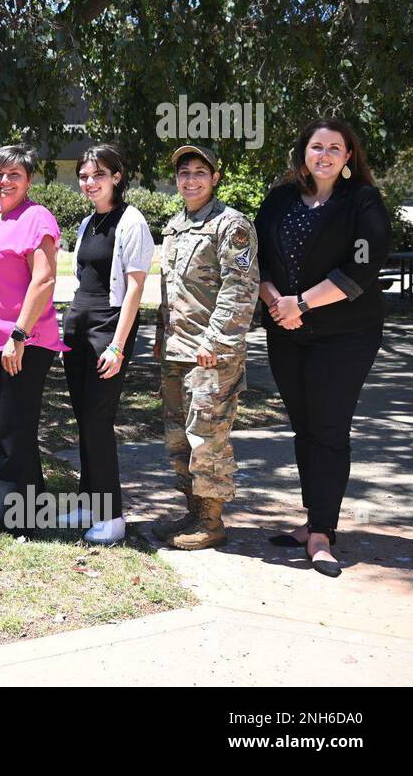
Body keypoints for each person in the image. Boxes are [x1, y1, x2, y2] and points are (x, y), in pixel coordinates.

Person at [254, 119, 390, 577]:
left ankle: (322, 534)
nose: (326, 154)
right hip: (285, 330)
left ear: (349, 156)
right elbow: (256, 260)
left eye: (336, 147)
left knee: (329, 429)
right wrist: (277, 303)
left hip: (345, 334)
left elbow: (363, 267)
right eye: (317, 146)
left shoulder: (364, 202)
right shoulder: (279, 200)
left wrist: (302, 304)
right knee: (304, 427)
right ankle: (313, 518)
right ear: (304, 153)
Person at [152, 144, 258, 550]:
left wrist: (215, 341)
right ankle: (193, 512)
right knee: (178, 439)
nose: (190, 179)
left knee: (208, 437)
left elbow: (240, 289)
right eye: (184, 172)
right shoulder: (176, 225)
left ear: (215, 178)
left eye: (200, 171)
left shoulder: (232, 226)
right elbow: (171, 293)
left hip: (211, 354)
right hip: (178, 350)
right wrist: (164, 342)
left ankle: (212, 522)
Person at [0, 144, 67, 531]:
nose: (4, 181)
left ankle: (15, 518)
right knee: (7, 427)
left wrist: (18, 334)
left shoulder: (36, 218)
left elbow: (45, 278)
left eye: (14, 175)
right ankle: (32, 510)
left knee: (13, 429)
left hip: (22, 341)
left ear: (29, 180)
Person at [60, 144, 155, 544]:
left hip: (108, 326)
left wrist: (117, 345)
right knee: (84, 418)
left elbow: (135, 287)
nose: (89, 182)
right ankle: (88, 502)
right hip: (79, 324)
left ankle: (113, 517)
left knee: (99, 421)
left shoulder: (131, 221)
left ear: (117, 176)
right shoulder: (88, 223)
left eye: (98, 174)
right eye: (84, 175)